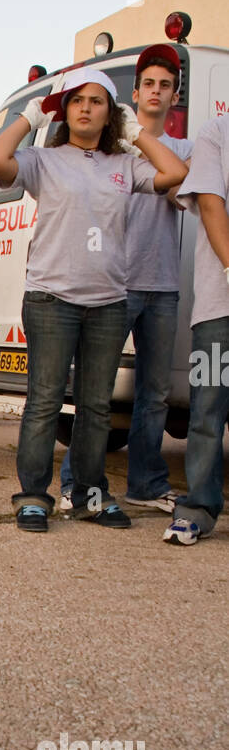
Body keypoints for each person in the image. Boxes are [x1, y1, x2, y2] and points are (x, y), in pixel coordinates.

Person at [0, 66, 188, 533]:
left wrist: (134, 133)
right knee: (45, 402)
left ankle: (90, 496)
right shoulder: (43, 159)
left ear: (109, 113)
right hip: (51, 299)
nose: (86, 109)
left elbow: (174, 172)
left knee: (96, 407)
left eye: (97, 102)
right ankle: (34, 496)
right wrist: (29, 116)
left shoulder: (124, 166)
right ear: (65, 111)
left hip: (109, 302)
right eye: (77, 101)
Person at [59, 45, 195, 513]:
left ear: (175, 97)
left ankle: (146, 484)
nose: (157, 92)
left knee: (154, 393)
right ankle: (74, 482)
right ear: (134, 93)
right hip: (112, 282)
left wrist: (148, 144)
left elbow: (181, 194)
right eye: (149, 84)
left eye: (166, 86)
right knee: (95, 392)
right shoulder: (110, 146)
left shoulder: (182, 149)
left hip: (162, 284)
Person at [163, 114, 229, 545]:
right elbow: (209, 202)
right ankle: (199, 509)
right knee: (207, 411)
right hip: (218, 304)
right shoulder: (217, 131)